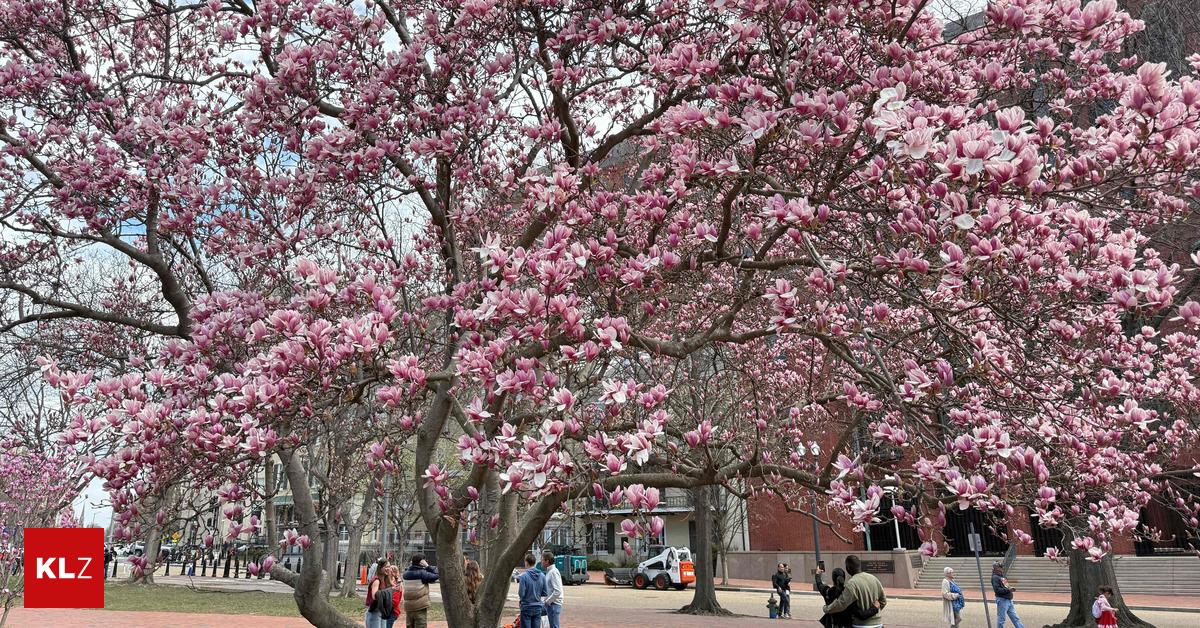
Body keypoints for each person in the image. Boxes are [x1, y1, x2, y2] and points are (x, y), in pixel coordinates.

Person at [821, 556, 886, 628]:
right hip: (878, 624)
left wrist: (826, 609)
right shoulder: (874, 579)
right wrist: (875, 611)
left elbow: (841, 604)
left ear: (848, 568)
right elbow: (883, 601)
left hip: (860, 625)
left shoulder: (852, 583)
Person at [402, 554, 439, 628]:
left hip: (408, 607)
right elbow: (437, 574)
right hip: (419, 606)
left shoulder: (405, 574)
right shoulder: (422, 574)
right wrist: (427, 566)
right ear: (422, 562)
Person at [992, 562, 1025, 628]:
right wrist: (1009, 590)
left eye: (1002, 567)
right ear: (996, 569)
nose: (1002, 568)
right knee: (1001, 619)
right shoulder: (995, 577)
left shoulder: (1002, 576)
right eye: (1001, 567)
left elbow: (1007, 586)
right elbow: (997, 590)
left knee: (1015, 618)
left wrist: (1011, 588)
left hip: (1008, 599)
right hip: (1002, 600)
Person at [517, 553, 546, 628]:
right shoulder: (542, 575)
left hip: (526, 606)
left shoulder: (524, 576)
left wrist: (522, 600)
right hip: (538, 606)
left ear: (526, 562)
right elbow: (545, 592)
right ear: (535, 562)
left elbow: (521, 593)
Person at [541, 551, 564, 628]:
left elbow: (558, 591)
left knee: (554, 626)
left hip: (553, 604)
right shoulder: (550, 571)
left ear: (547, 561)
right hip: (551, 604)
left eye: (542, 560)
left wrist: (548, 601)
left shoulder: (553, 572)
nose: (541, 562)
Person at [365, 558, 390, 628]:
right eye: (386, 567)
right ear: (380, 568)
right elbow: (375, 596)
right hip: (374, 612)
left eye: (389, 567)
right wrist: (389, 591)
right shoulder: (377, 580)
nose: (388, 569)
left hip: (382, 611)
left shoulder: (385, 580)